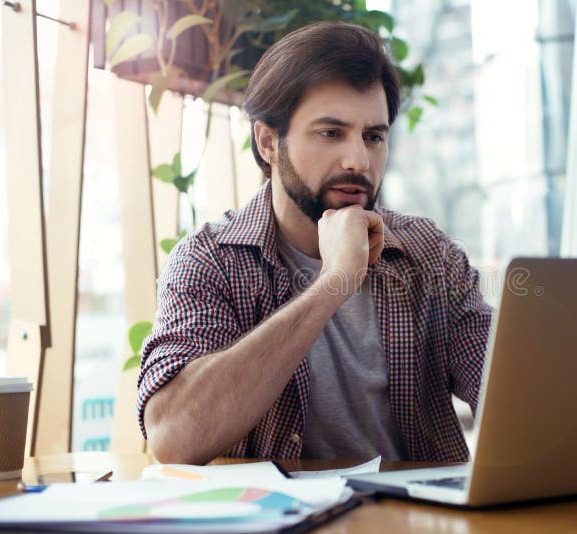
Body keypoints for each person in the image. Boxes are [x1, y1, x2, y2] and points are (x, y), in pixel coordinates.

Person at [138, 21, 492, 465]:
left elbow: (508, 395)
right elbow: (173, 438)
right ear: (268, 141)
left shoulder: (428, 253)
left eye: (374, 137)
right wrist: (333, 282)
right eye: (331, 133)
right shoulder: (208, 261)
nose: (358, 161)